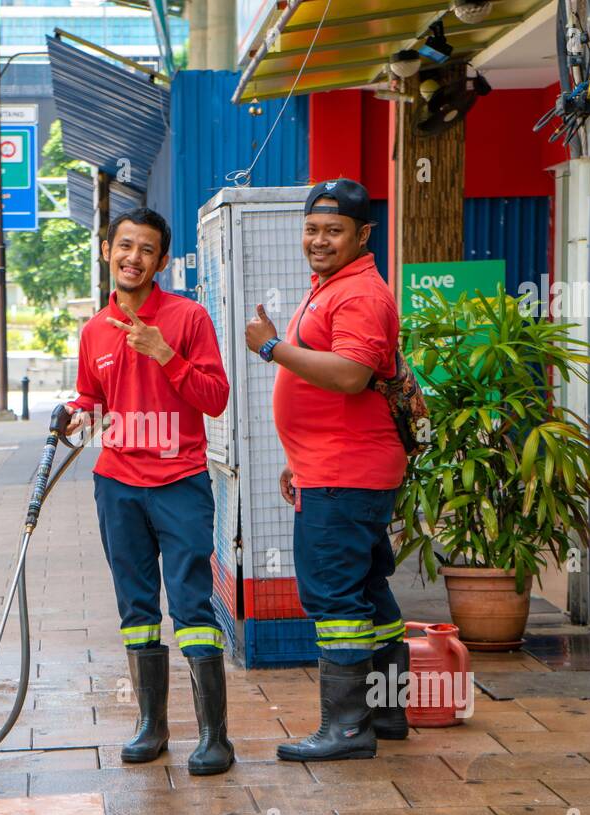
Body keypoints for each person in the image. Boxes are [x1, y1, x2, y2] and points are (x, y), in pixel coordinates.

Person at [244, 179, 409, 761]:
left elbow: (348, 376)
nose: (318, 239)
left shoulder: (359, 293)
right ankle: (387, 713)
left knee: (334, 600)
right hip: (337, 470)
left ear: (363, 235)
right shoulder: (335, 287)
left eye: (333, 230)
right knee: (367, 592)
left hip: (344, 475)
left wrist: (270, 348)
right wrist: (298, 460)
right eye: (311, 229)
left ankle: (345, 729)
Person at [66, 207, 235, 776]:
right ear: (108, 250)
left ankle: (214, 737)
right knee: (136, 609)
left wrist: (165, 352)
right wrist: (76, 415)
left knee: (191, 603)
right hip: (116, 484)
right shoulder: (94, 331)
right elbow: (92, 400)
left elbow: (215, 397)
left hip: (180, 481)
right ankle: (151, 726)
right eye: (124, 246)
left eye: (145, 250)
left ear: (162, 261)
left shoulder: (187, 319)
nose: (132, 257)